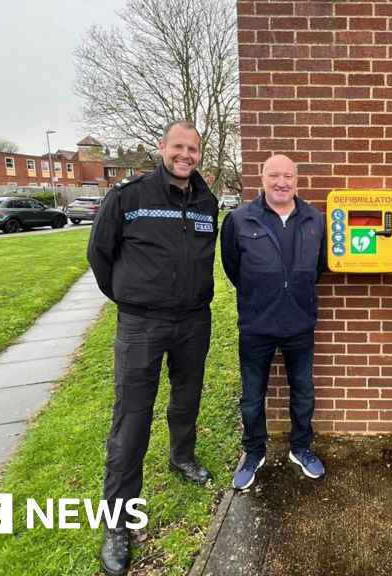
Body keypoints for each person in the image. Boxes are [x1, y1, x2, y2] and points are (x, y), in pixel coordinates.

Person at [87, 121, 219, 576]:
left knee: (187, 399)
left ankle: (182, 456)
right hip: (142, 323)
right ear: (162, 148)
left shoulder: (207, 201)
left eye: (194, 149)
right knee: (132, 418)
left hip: (194, 320)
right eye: (178, 146)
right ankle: (118, 521)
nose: (186, 154)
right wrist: (131, 296)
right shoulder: (129, 197)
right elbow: (99, 256)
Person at [220, 154, 327, 490]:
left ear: (297, 180)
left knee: (304, 391)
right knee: (253, 396)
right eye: (274, 175)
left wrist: (292, 290)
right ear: (261, 177)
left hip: (299, 321)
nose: (282, 182)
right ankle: (253, 453)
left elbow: (318, 267)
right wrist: (261, 294)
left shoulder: (314, 219)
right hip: (256, 324)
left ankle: (300, 448)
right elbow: (232, 267)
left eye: (288, 176)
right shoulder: (239, 219)